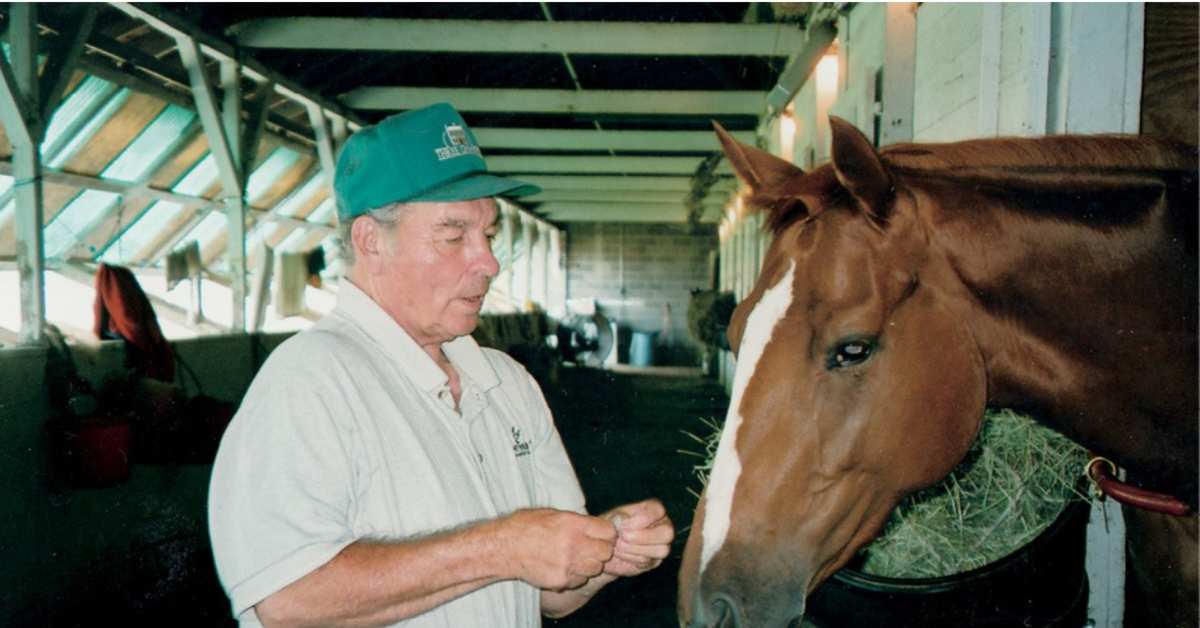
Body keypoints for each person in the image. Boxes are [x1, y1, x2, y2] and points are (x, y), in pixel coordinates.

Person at [207, 102, 674, 627]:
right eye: (454, 237)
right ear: (370, 241)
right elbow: (286, 600)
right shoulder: (310, 381)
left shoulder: (506, 384)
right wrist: (504, 547)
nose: (489, 262)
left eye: (489, 235)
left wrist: (603, 553)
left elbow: (551, 595)